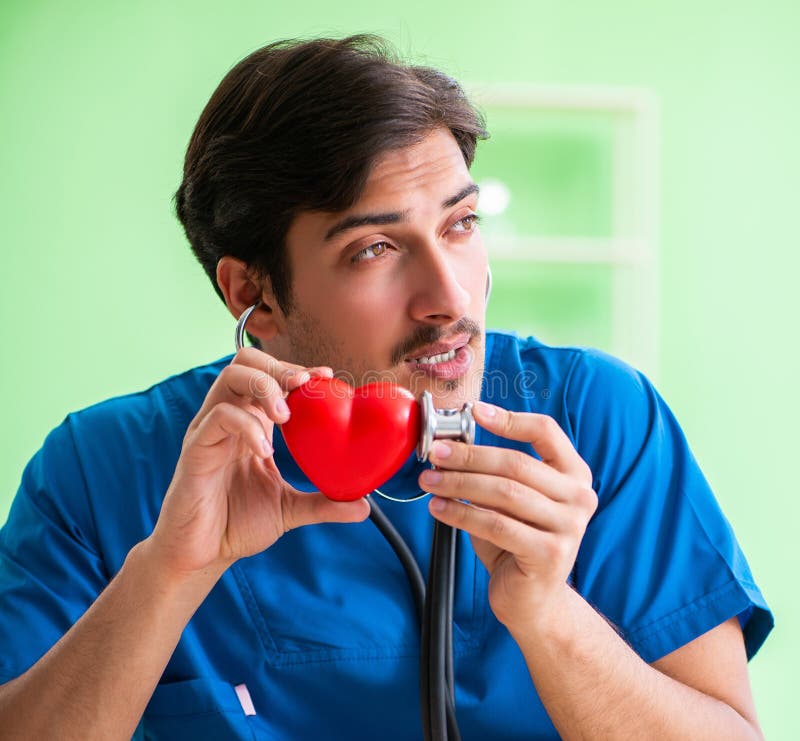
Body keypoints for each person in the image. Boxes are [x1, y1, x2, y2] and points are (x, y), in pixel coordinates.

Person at [0, 35, 772, 740]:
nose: (450, 297)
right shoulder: (101, 474)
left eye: (461, 225)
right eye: (375, 247)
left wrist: (550, 617)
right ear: (254, 296)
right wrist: (169, 572)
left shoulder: (597, 422)